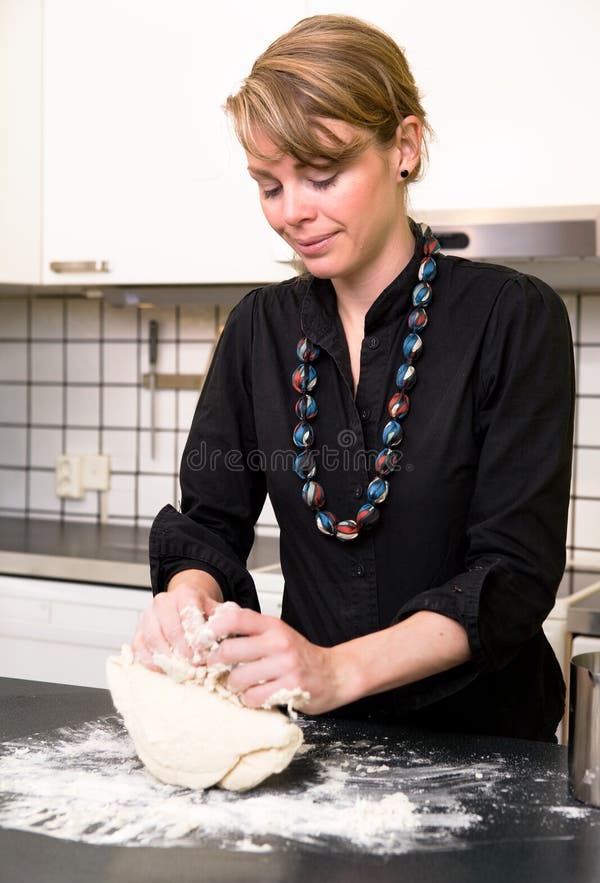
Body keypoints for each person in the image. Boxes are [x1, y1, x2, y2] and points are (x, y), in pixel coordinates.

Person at [132, 14, 574, 741]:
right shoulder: (257, 330)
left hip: (486, 745)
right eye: (269, 185)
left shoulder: (512, 319)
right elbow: (210, 522)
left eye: (323, 175)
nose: (292, 212)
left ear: (404, 146)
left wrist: (335, 670)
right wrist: (187, 602)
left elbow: (513, 576)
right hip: (312, 737)